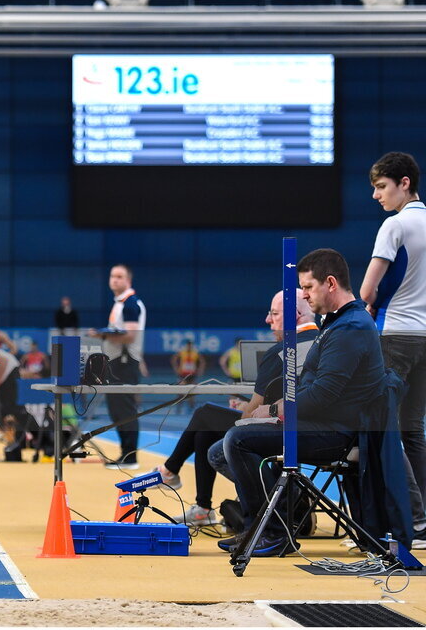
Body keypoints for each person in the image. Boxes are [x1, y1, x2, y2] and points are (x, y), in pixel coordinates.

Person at [221, 249, 389, 557]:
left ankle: (272, 532)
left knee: (238, 439)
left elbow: (323, 394)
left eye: (309, 288)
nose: (305, 295)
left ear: (330, 283)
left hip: (336, 433)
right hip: (324, 423)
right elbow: (315, 389)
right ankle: (262, 528)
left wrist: (272, 410)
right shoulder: (339, 323)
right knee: (241, 432)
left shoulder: (350, 327)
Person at [152, 291, 318, 527]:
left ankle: (282, 504)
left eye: (274, 313)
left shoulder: (281, 351)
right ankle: (202, 507)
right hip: (308, 428)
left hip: (282, 431)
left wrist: (250, 409)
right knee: (205, 427)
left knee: (205, 417)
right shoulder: (322, 341)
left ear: (294, 315)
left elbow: (248, 417)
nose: (267, 320)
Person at [360, 151, 426, 504]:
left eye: (381, 186)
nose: (376, 195)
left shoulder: (395, 224)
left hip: (396, 336)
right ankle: (423, 520)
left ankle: (407, 518)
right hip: (425, 339)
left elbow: (368, 291)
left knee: (380, 430)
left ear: (405, 184)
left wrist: (372, 301)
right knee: (413, 431)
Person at [89, 264, 146, 470]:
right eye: (113, 276)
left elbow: (130, 335)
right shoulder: (120, 303)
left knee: (125, 409)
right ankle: (125, 453)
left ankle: (130, 456)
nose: (115, 280)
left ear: (128, 280)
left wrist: (102, 334)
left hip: (123, 362)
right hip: (116, 362)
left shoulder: (131, 303)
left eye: (119, 276)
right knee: (116, 410)